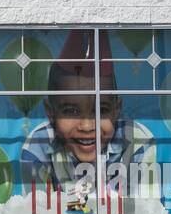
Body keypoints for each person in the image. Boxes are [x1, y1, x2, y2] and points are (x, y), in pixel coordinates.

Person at [19, 31, 153, 194]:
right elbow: (36, 213)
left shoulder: (136, 139)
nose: (87, 126)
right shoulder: (38, 144)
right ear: (51, 113)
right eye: (71, 111)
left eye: (101, 110)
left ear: (116, 110)